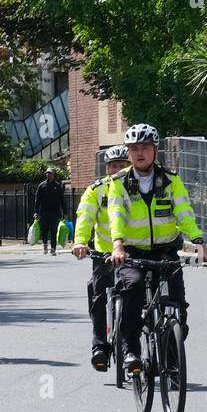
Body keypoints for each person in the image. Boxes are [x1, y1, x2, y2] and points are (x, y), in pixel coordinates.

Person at [108, 124, 207, 376]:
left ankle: (171, 358)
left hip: (165, 251)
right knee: (132, 288)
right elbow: (116, 214)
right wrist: (117, 244)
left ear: (155, 151)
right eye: (134, 148)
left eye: (145, 147)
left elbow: (184, 213)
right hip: (133, 253)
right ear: (128, 153)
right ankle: (132, 351)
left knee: (177, 303)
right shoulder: (119, 182)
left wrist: (200, 243)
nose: (139, 153)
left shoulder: (170, 180)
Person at [72, 145, 131, 370]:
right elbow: (85, 216)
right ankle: (99, 347)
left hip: (131, 252)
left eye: (122, 165)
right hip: (104, 253)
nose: (117, 169)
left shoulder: (135, 187)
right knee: (97, 295)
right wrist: (80, 242)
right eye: (113, 166)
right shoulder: (96, 190)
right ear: (106, 168)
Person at [35, 167, 67, 255]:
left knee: (54, 231)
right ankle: (45, 245)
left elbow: (62, 200)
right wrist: (35, 212)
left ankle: (53, 248)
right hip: (44, 212)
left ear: (53, 175)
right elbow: (37, 200)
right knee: (44, 230)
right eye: (47, 173)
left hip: (55, 212)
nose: (48, 175)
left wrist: (65, 212)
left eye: (50, 173)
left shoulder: (57, 186)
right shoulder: (42, 186)